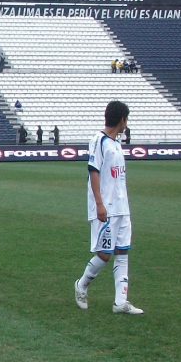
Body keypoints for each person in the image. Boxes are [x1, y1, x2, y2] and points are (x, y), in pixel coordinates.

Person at [74, 100, 142, 315]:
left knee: (122, 252)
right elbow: (93, 171)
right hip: (106, 208)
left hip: (122, 208)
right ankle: (81, 285)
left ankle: (120, 302)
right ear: (122, 119)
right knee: (104, 254)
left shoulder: (116, 143)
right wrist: (99, 204)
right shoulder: (99, 140)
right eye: (126, 119)